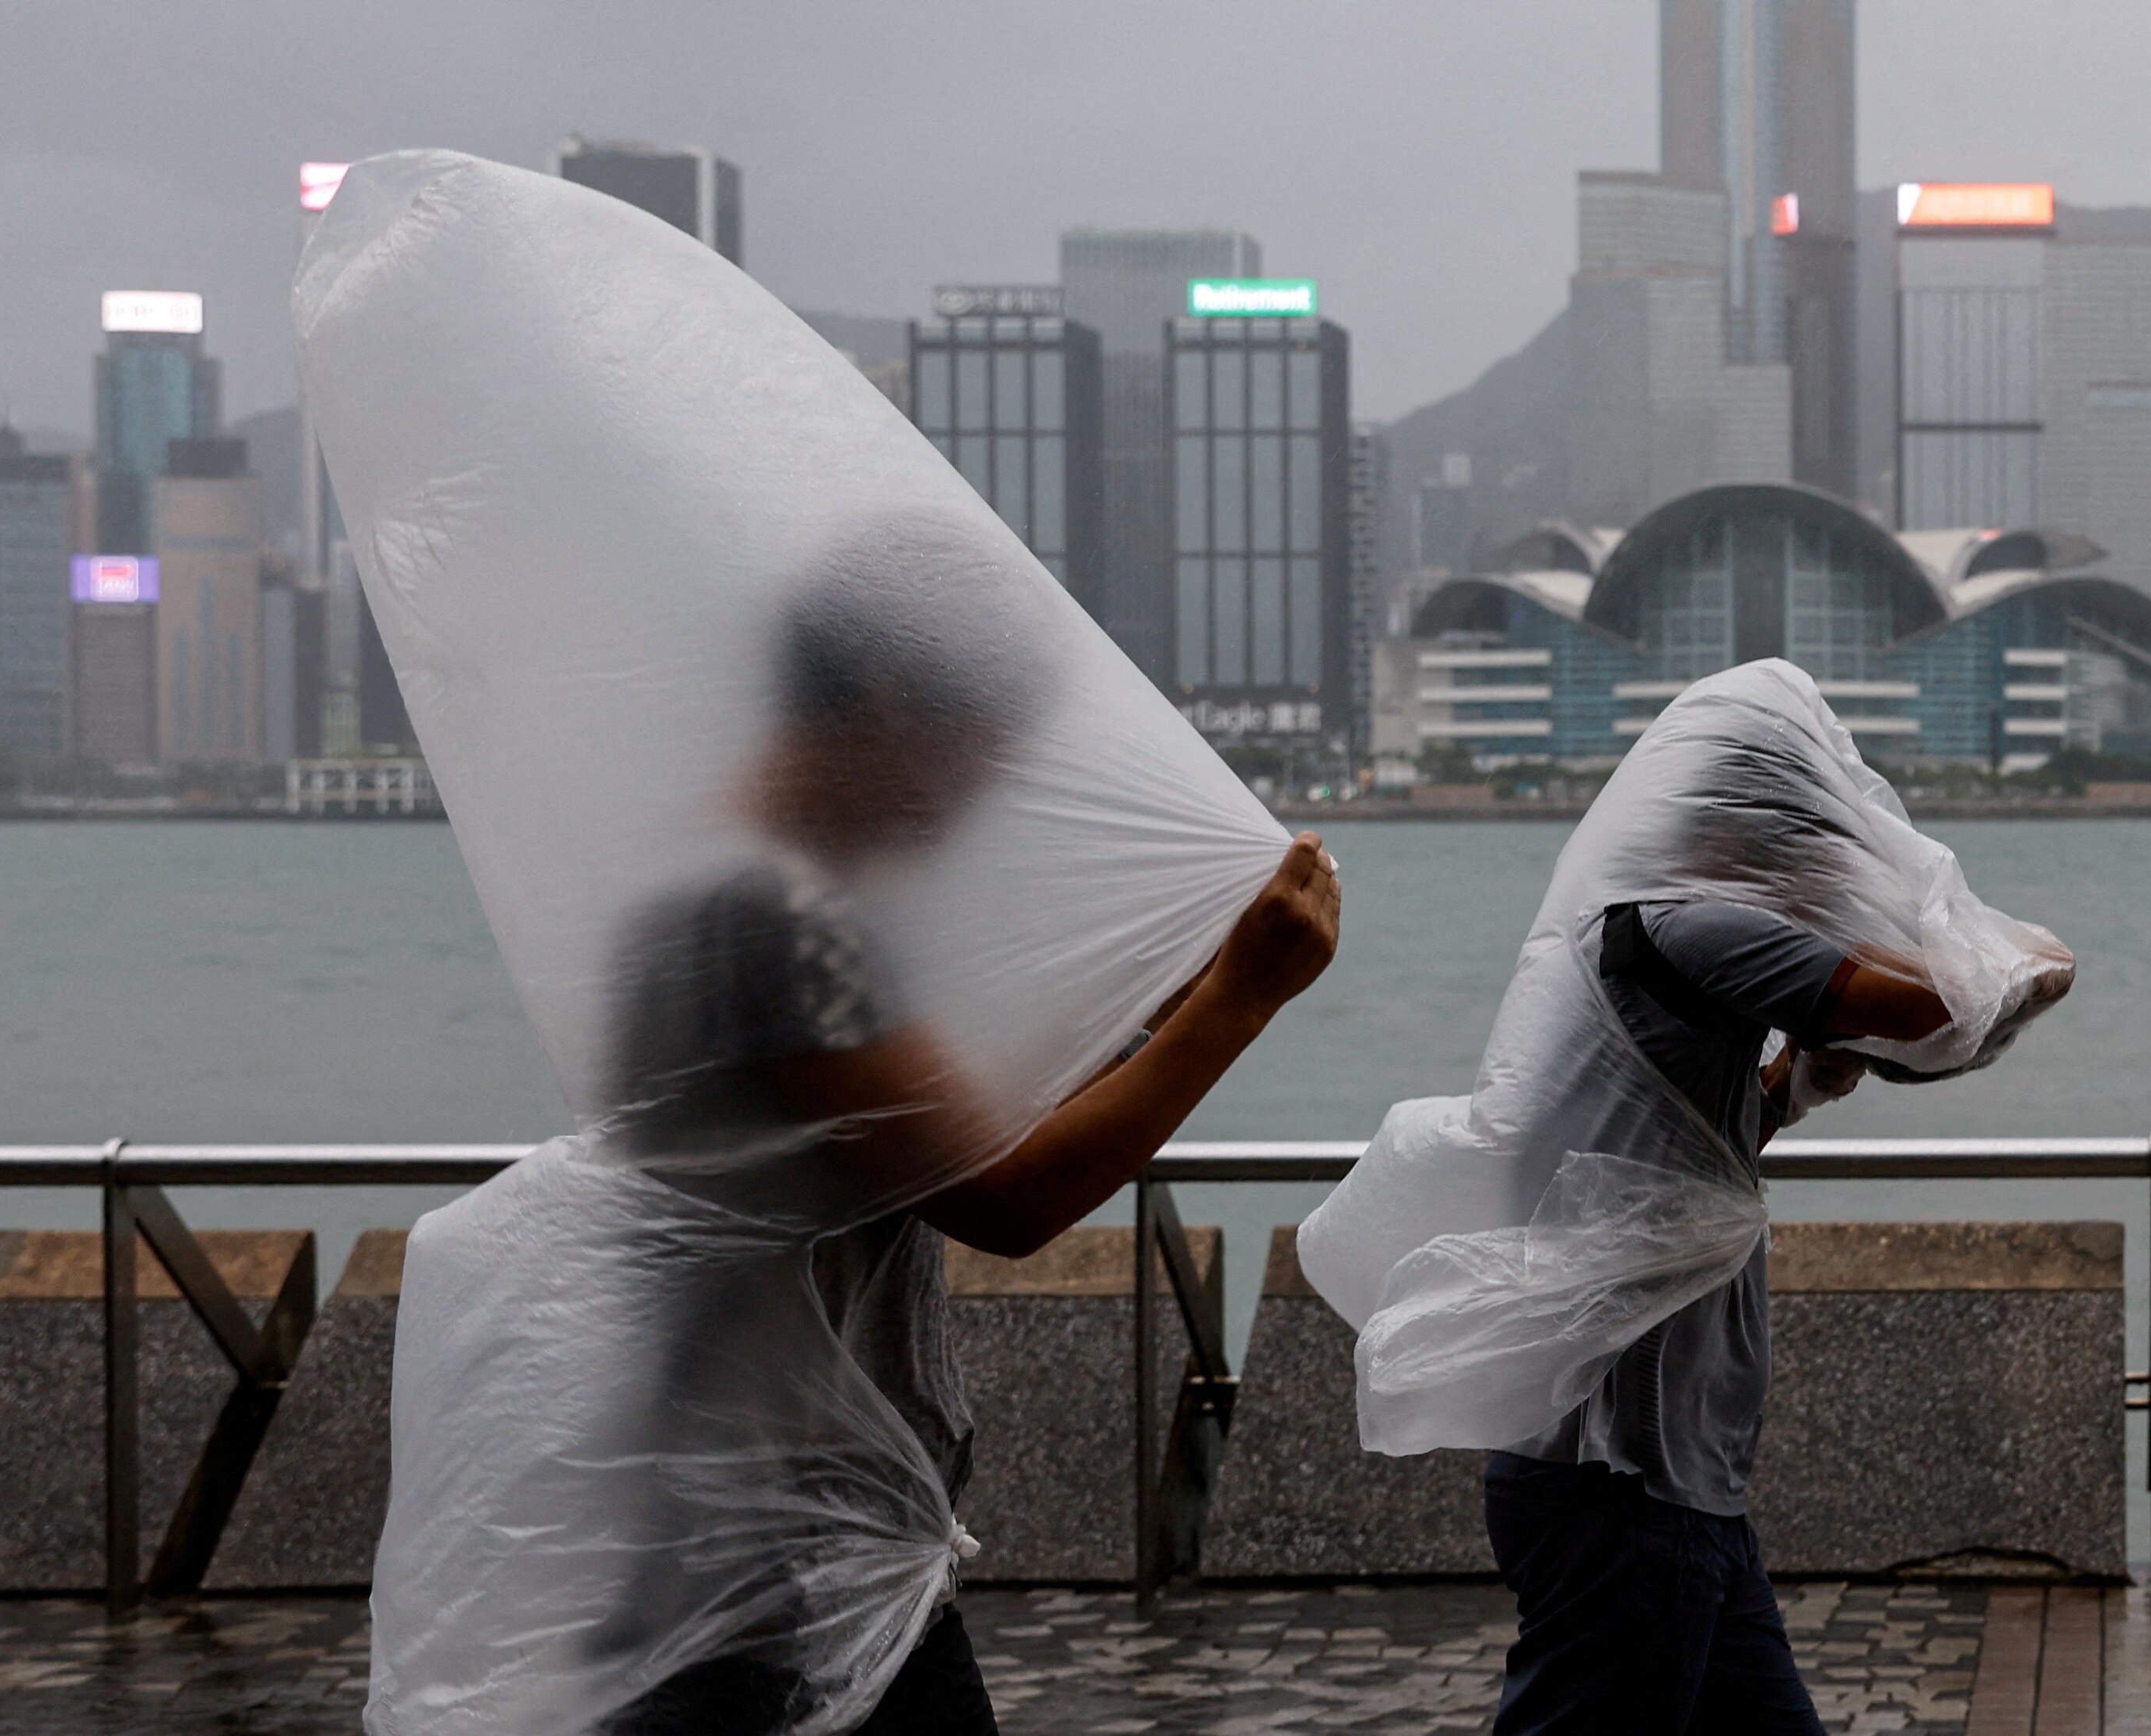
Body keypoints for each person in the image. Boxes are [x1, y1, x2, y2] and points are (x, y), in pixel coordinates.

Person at [585, 571, 1341, 1735]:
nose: (991, 784)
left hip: (764, 1527)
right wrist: (1238, 1000)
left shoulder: (738, 889)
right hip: (776, 1545)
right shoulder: (770, 919)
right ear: (892, 701)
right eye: (992, 743)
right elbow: (1004, 1194)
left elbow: (954, 1131)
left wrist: (1163, 1010)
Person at [1482, 897, 2070, 1736]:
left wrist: (1785, 1086)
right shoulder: (1681, 926)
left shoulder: (1616, 956)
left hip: (1680, 1491)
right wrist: (2040, 960)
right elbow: (1938, 1006)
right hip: (1626, 1486)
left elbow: (1667, 1159)